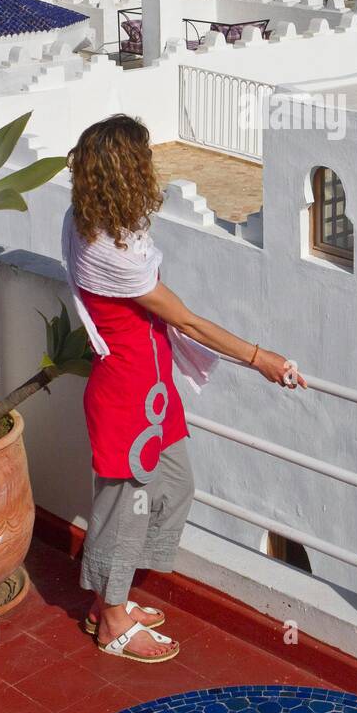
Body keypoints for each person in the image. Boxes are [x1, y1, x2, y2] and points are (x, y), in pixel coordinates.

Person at [63, 114, 304, 665]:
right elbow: (189, 323)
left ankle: (113, 596)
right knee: (123, 508)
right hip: (126, 395)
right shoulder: (113, 255)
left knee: (174, 485)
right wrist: (258, 357)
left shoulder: (84, 218)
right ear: (128, 173)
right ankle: (111, 618)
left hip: (153, 389)